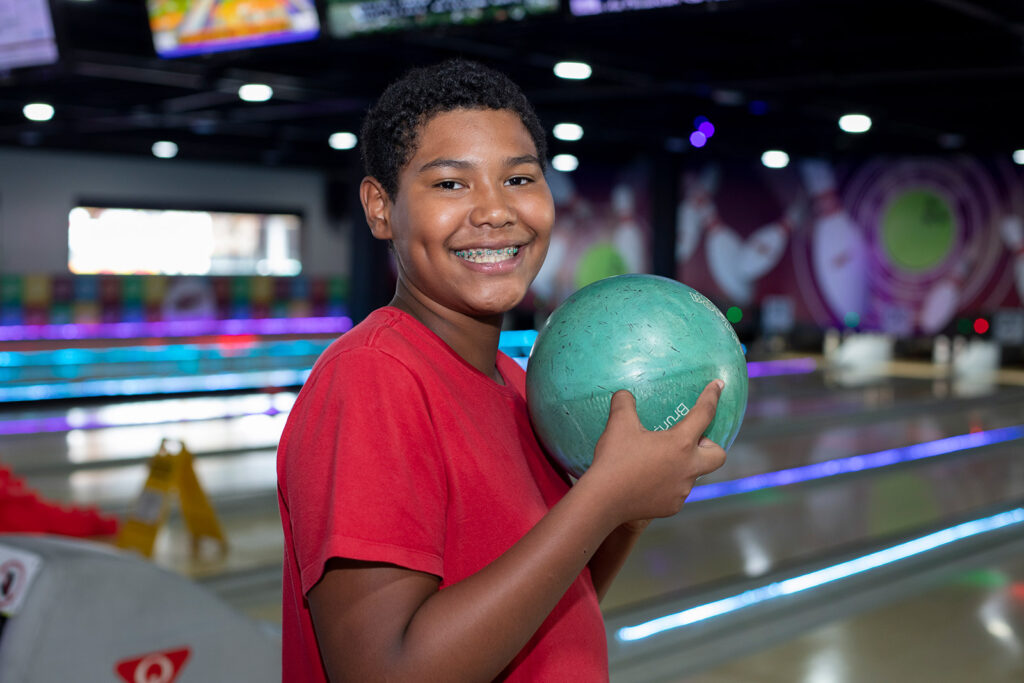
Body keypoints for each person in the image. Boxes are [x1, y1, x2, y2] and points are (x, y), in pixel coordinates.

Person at [277, 59, 728, 682]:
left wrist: (626, 515)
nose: (495, 211)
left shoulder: (522, 390)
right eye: (450, 185)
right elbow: (386, 670)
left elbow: (552, 602)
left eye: (519, 178)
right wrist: (600, 501)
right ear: (381, 208)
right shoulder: (372, 380)